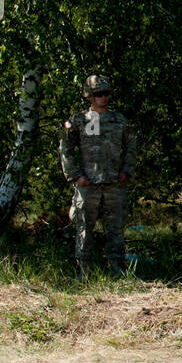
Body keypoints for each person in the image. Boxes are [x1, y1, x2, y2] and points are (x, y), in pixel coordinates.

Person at [59, 74, 136, 280]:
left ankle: (116, 270)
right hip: (88, 185)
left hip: (113, 185)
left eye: (106, 94)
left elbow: (131, 148)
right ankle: (84, 272)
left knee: (116, 229)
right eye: (98, 94)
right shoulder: (79, 121)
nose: (104, 98)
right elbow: (65, 148)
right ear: (89, 96)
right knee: (84, 228)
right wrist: (75, 176)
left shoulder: (119, 121)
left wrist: (126, 172)